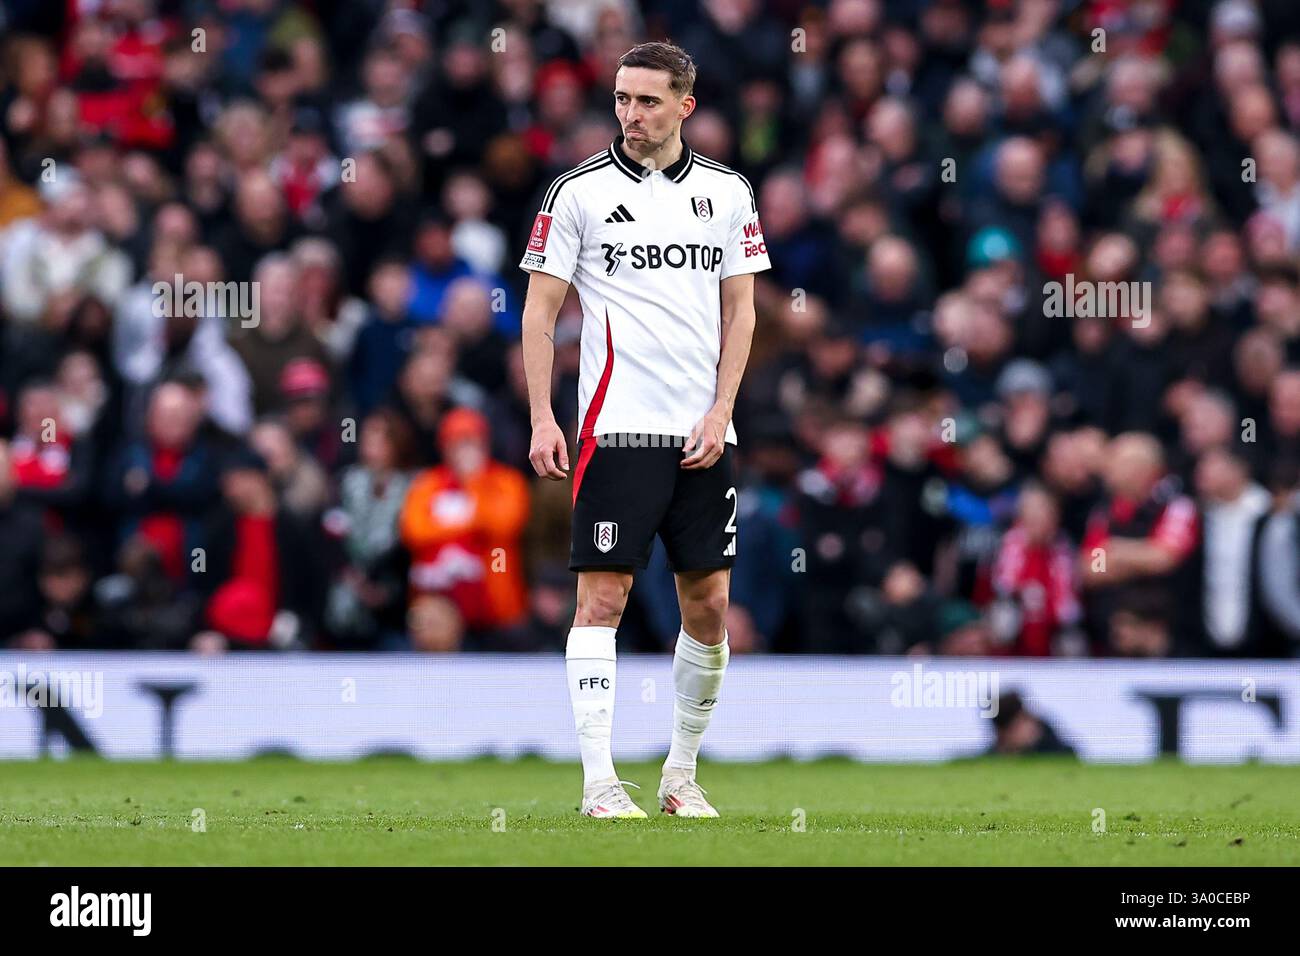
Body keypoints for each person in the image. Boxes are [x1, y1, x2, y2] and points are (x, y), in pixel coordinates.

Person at [519, 42, 770, 818]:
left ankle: (679, 774)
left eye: (648, 101)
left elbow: (742, 310)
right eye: (623, 99)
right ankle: (598, 783)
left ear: (685, 106)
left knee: (709, 604)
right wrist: (542, 416)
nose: (630, 114)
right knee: (602, 599)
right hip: (615, 428)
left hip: (702, 436)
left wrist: (723, 410)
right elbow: (540, 310)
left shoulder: (728, 193)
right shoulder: (578, 192)